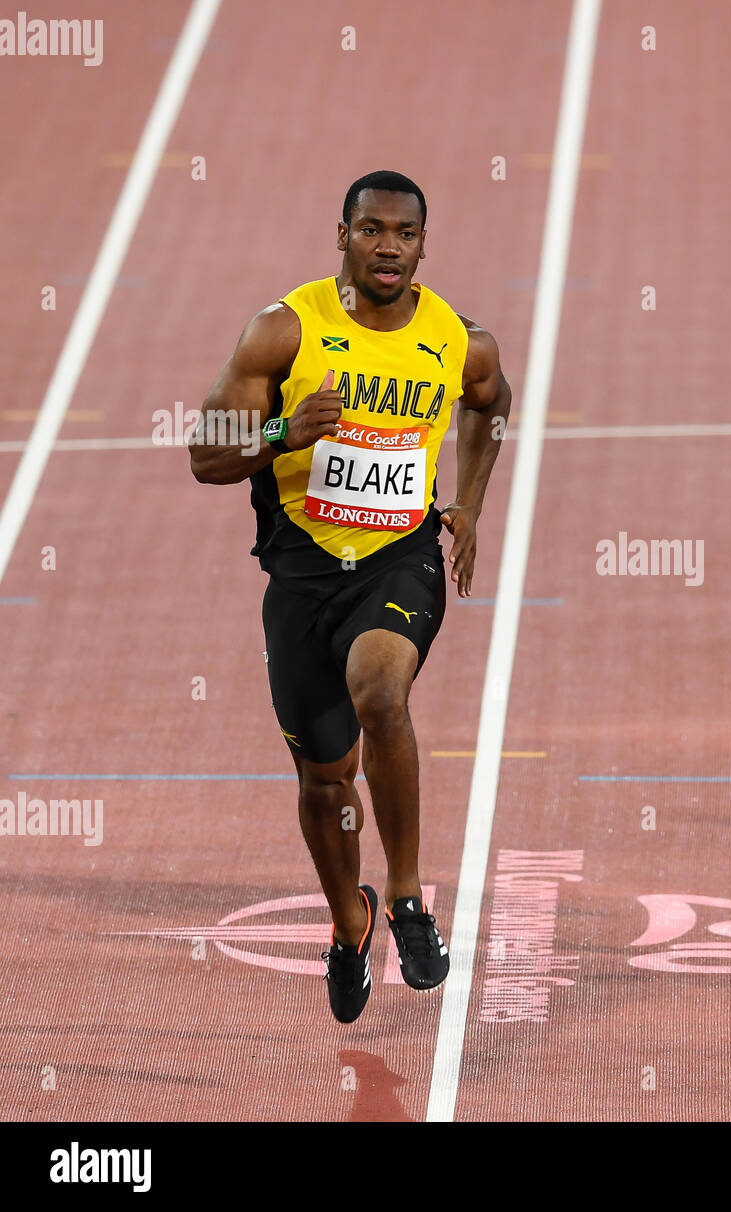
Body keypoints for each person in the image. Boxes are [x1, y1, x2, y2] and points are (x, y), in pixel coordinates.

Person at [190, 171, 511, 1021]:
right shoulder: (285, 332)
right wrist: (281, 433)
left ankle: (406, 900)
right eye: (371, 230)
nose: (388, 248)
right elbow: (203, 453)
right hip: (300, 577)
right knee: (324, 783)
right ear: (343, 236)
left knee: (381, 692)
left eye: (404, 235)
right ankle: (349, 921)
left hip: (397, 562)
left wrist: (469, 505)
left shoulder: (456, 340)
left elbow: (491, 405)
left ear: (422, 247)